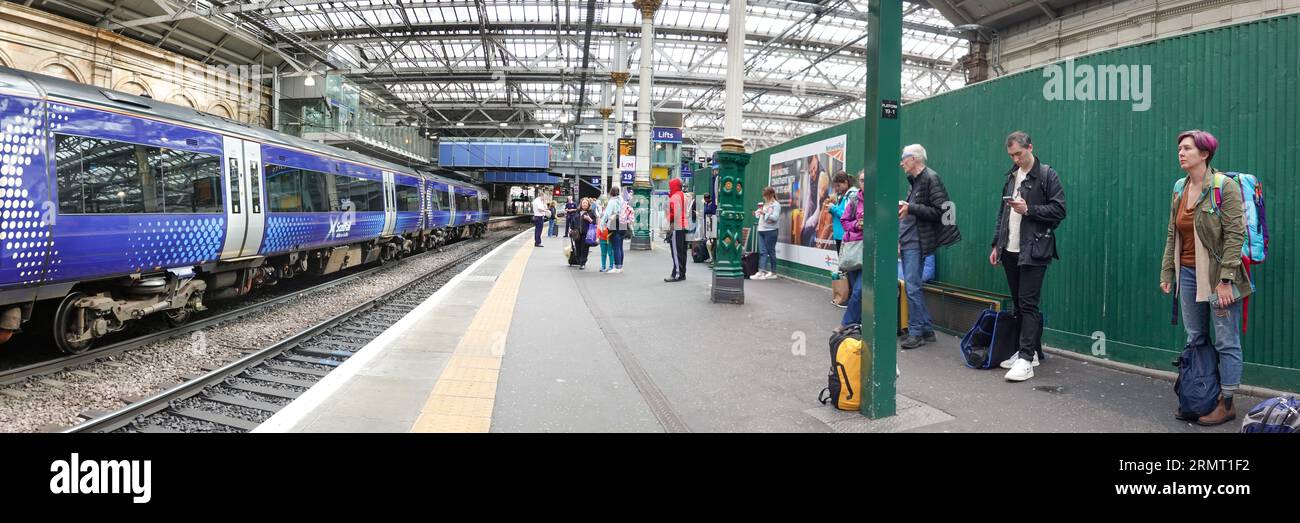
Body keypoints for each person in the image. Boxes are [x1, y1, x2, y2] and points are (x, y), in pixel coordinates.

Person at [1160, 129, 1251, 426]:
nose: (1181, 153)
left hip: (1217, 277)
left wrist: (1225, 280)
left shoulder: (1224, 187)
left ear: (1205, 153)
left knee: (1226, 341)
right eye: (1179, 149)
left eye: (1187, 149)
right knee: (1196, 337)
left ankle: (1226, 403)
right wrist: (1168, 271)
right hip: (1187, 274)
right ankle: (1201, 394)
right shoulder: (1179, 187)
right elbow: (1173, 232)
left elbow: (1236, 236)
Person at [990, 131, 1066, 382]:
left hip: (1035, 249)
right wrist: (996, 245)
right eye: (1011, 155)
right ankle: (1031, 352)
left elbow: (1059, 210)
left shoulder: (1047, 175)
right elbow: (1002, 213)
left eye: (1019, 154)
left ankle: (1025, 358)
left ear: (1030, 147)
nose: (1016, 159)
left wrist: (1029, 209)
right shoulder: (1012, 176)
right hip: (1010, 248)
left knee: (1028, 302)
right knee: (1019, 302)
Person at [898, 144, 962, 349]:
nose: (901, 162)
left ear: (915, 158)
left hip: (918, 241)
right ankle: (926, 329)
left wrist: (911, 208)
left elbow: (942, 211)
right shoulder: (915, 181)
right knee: (912, 285)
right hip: (910, 240)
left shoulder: (930, 178)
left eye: (904, 158)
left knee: (912, 286)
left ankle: (917, 332)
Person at [837, 179, 865, 329]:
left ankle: (846, 324)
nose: (864, 182)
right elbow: (844, 221)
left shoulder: (880, 200)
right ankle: (858, 324)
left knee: (859, 290)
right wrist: (856, 224)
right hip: (854, 249)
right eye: (862, 180)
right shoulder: (854, 200)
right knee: (856, 290)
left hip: (870, 250)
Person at [664, 178, 689, 282]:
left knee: (676, 251)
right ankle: (682, 273)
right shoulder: (685, 196)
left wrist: (668, 216)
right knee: (683, 251)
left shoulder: (674, 197)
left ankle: (677, 274)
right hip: (684, 226)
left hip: (677, 226)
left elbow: (675, 213)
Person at [753, 186, 780, 280]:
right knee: (763, 252)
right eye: (764, 196)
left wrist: (765, 214)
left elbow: (775, 217)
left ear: (771, 194)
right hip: (761, 229)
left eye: (766, 195)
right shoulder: (765, 204)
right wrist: (757, 213)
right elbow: (762, 216)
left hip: (771, 230)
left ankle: (773, 272)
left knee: (771, 251)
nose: (764, 197)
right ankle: (762, 272)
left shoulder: (776, 205)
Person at [601, 186, 628, 273]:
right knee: (620, 246)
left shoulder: (612, 201)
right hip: (623, 223)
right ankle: (621, 266)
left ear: (611, 192)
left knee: (615, 247)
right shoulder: (622, 201)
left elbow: (607, 214)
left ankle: (617, 267)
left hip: (614, 223)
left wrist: (602, 224)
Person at [572, 198, 597, 269]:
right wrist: (571, 229)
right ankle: (580, 261)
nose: (584, 204)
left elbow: (595, 223)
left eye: (586, 203)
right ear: (581, 204)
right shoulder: (577, 211)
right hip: (577, 233)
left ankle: (583, 263)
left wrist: (589, 219)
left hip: (586, 234)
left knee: (585, 248)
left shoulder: (591, 212)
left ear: (588, 204)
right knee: (578, 248)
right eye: (583, 203)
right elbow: (573, 221)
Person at [702, 194, 718, 264]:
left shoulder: (711, 204)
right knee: (708, 240)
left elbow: (706, 211)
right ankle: (710, 257)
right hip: (708, 223)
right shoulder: (707, 204)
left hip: (710, 224)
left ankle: (712, 257)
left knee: (710, 241)